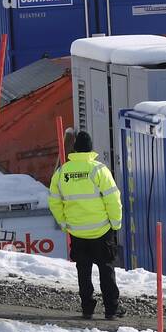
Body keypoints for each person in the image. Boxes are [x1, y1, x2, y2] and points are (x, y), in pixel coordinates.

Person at [48, 131, 125, 320]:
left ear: (74, 149)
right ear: (91, 149)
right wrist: (116, 223)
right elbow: (113, 199)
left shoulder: (62, 172)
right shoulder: (99, 170)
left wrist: (65, 224)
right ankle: (111, 309)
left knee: (83, 271)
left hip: (77, 231)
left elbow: (54, 202)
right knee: (106, 270)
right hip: (101, 231)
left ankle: (87, 308)